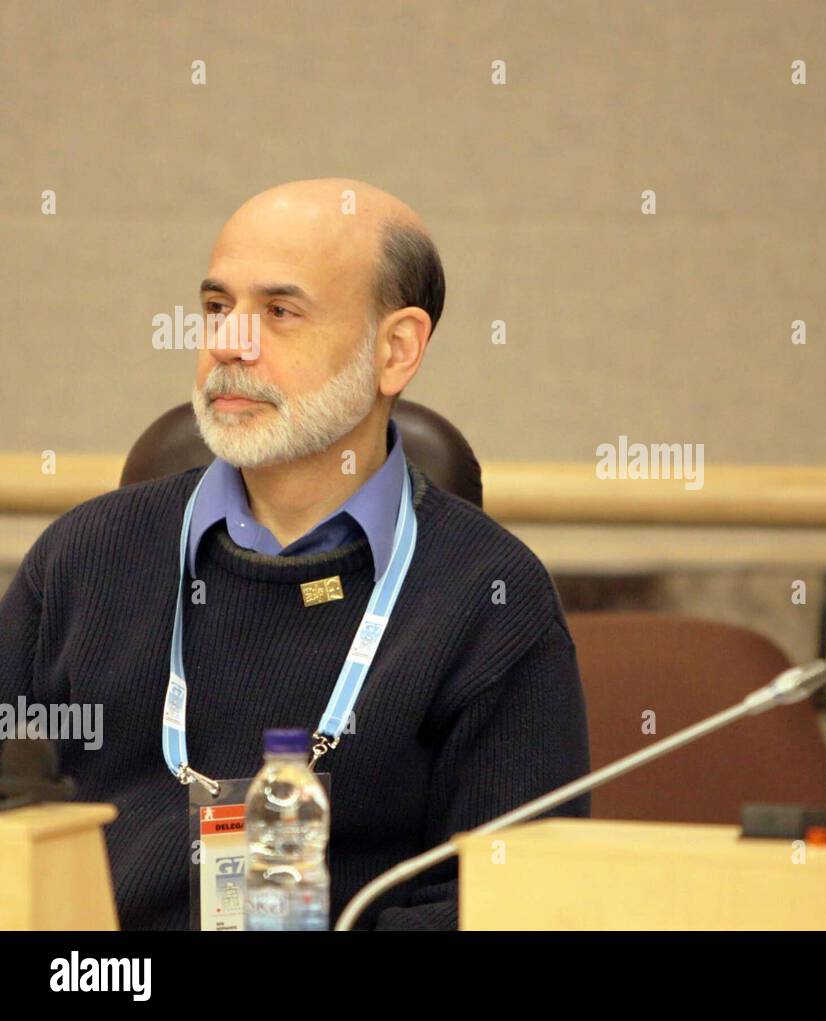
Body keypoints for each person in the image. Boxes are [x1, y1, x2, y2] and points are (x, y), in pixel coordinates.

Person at [0, 178, 591, 930]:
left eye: (279, 312)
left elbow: (510, 903)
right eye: (217, 308)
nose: (228, 344)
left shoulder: (492, 597)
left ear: (395, 349)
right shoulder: (84, 559)